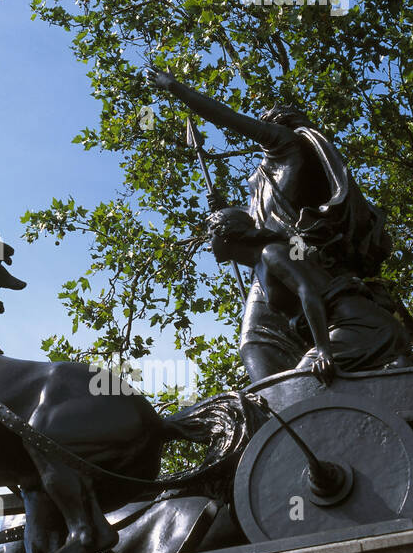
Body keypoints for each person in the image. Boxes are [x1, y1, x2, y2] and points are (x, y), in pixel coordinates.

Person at [149, 68, 393, 381]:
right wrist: (223, 210)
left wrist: (176, 88)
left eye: (268, 119)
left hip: (290, 254)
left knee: (261, 339)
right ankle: (279, 405)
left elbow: (227, 117)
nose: (263, 124)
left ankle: (311, 376)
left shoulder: (287, 145)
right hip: (265, 262)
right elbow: (255, 223)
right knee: (254, 343)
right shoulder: (264, 174)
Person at [204, 207, 413, 380]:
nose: (208, 243)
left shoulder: (272, 252)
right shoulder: (259, 265)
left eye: (210, 235)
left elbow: (308, 292)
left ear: (225, 235)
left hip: (359, 326)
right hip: (344, 328)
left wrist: (323, 351)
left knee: (300, 382)